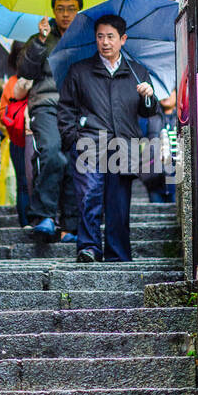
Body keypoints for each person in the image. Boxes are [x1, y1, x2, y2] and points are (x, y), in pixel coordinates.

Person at [58, 13, 158, 263]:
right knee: (89, 194)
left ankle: (117, 255)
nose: (105, 42)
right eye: (100, 36)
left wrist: (148, 95)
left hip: (124, 146)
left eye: (111, 37)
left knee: (118, 203)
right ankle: (89, 247)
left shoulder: (137, 72)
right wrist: (72, 139)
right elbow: (66, 109)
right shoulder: (79, 71)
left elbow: (148, 111)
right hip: (89, 143)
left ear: (123, 39)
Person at [16, 0, 83, 241]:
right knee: (53, 153)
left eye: (71, 9)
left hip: (76, 107)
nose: (66, 14)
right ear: (54, 11)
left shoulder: (86, 37)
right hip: (45, 103)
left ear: (79, 11)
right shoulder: (40, 37)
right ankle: (43, 215)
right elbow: (25, 70)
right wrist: (40, 42)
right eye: (61, 9)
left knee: (73, 161)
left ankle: (69, 226)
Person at [0, 42, 32, 227]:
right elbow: (2, 114)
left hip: (19, 140)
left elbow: (2, 114)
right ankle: (27, 220)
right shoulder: (12, 83)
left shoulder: (11, 82)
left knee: (23, 182)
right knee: (23, 181)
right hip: (20, 140)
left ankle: (28, 220)